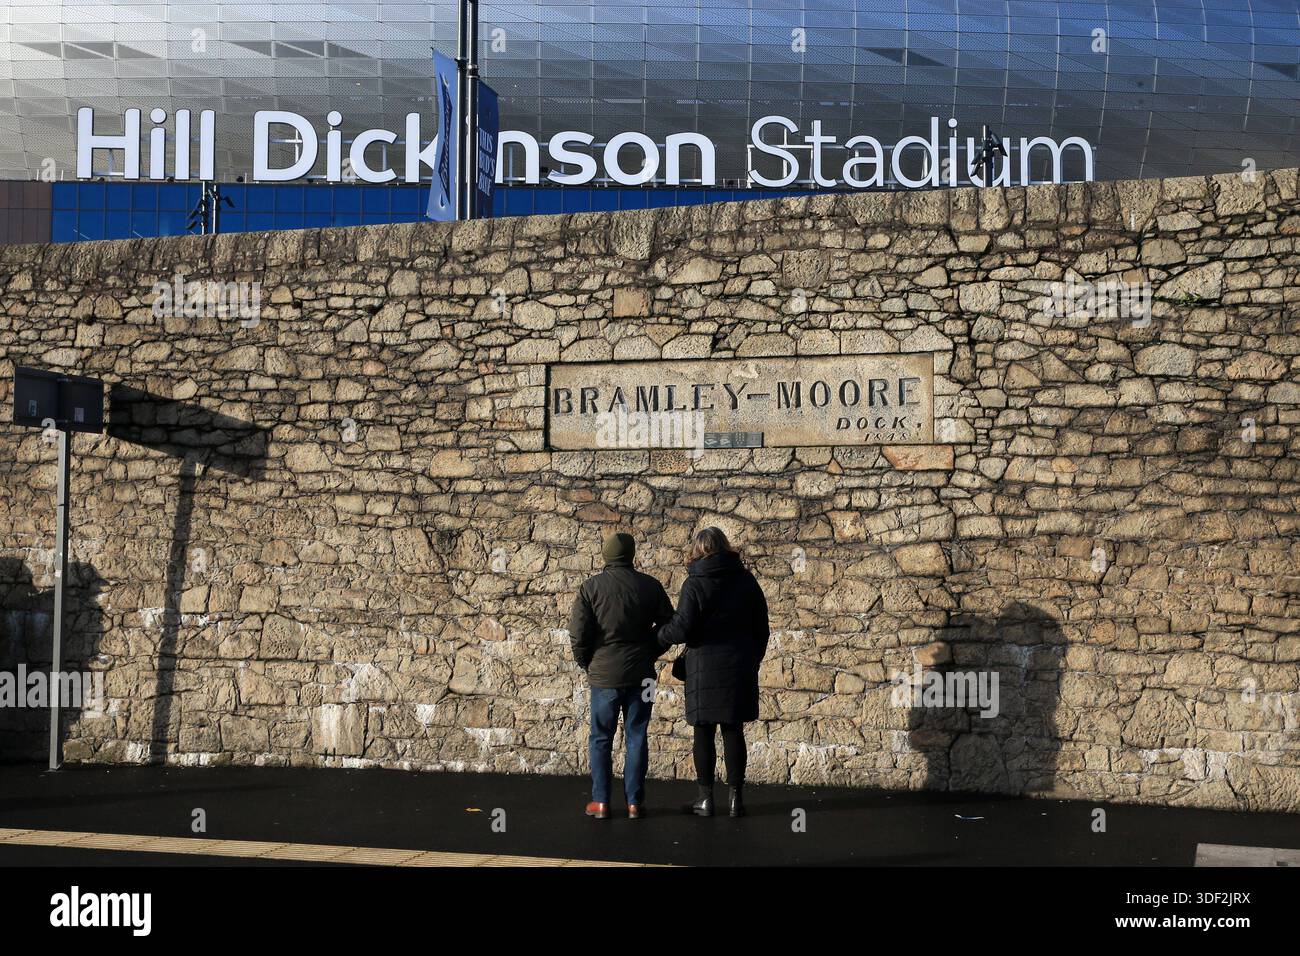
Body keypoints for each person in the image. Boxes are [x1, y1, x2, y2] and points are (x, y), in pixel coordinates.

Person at [656, 527, 769, 818]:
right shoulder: (746, 580)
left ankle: (705, 799)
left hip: (703, 668)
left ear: (698, 550)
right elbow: (761, 627)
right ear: (725, 547)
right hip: (738, 665)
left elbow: (681, 628)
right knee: (733, 730)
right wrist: (752, 658)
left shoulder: (694, 584)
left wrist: (656, 637)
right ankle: (736, 799)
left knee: (703, 732)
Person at [568, 531, 673, 820]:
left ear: (605, 555)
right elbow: (670, 625)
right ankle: (634, 803)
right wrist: (652, 648)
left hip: (604, 675)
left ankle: (601, 802)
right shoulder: (650, 586)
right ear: (632, 554)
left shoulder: (590, 588)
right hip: (644, 675)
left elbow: (578, 634)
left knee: (601, 737)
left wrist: (587, 662)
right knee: (637, 735)